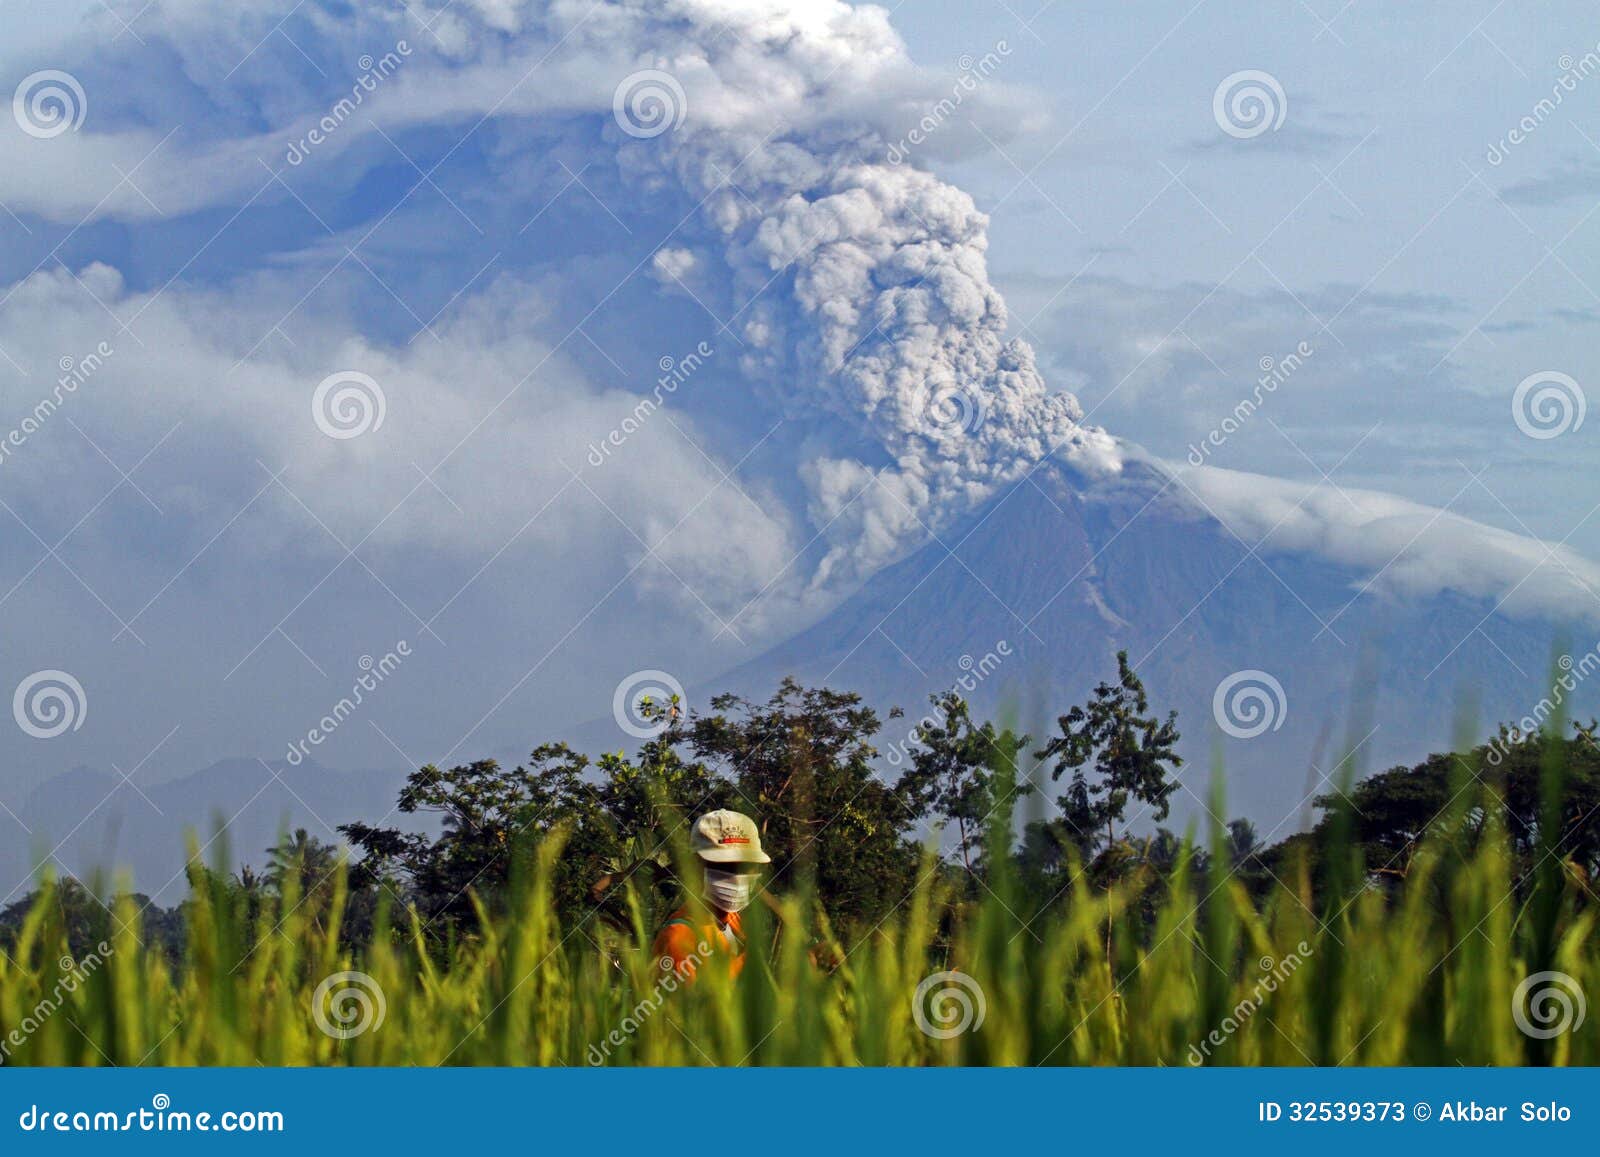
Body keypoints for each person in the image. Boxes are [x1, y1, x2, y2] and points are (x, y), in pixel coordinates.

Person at [653, 809, 770, 981]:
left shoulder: (732, 920)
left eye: (745, 867)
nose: (737, 878)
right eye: (726, 866)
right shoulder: (679, 938)